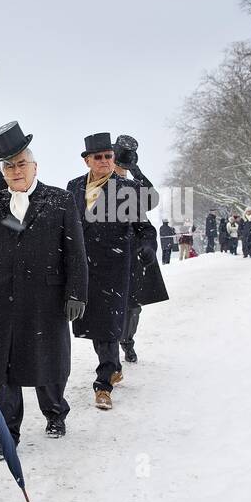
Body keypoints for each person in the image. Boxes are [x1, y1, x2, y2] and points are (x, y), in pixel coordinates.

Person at [0, 122, 87, 446]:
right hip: (1, 302)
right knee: (1, 370)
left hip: (45, 300)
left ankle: (55, 413)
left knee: (48, 366)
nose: (15, 170)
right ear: (2, 171)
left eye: (21, 163)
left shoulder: (61, 200)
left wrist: (77, 292)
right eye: (8, 165)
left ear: (35, 166)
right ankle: (5, 434)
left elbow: (76, 253)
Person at [67, 133, 155, 410]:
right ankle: (113, 366)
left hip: (115, 267)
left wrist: (148, 247)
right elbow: (65, 225)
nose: (104, 161)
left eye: (108, 156)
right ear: (87, 161)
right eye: (98, 157)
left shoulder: (125, 189)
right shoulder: (73, 187)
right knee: (94, 326)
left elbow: (145, 228)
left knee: (107, 327)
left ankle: (103, 384)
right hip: (83, 269)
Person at [112, 135, 166, 365]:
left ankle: (128, 340)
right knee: (111, 304)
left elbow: (152, 200)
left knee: (133, 306)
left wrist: (136, 170)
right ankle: (109, 347)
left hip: (134, 251)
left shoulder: (134, 186)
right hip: (107, 252)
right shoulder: (99, 183)